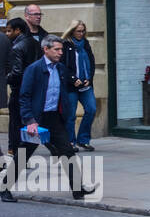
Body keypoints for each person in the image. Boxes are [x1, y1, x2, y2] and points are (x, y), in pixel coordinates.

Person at [19, 36, 97, 201]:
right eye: (57, 49)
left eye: (61, 49)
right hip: (37, 119)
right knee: (24, 154)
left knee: (67, 152)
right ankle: (4, 188)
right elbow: (24, 97)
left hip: (54, 118)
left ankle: (78, 190)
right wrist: (30, 121)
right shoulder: (34, 69)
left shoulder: (60, 69)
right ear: (45, 49)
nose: (60, 52)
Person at [3, 17, 41, 202]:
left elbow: (17, 73)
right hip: (34, 102)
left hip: (24, 98)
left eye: (9, 30)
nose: (7, 34)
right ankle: (5, 186)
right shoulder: (34, 44)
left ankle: (78, 187)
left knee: (24, 137)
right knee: (30, 143)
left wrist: (5, 78)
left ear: (18, 30)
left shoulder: (18, 47)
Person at [61, 20, 97, 150]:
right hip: (71, 86)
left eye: (83, 31)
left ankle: (83, 139)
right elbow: (62, 66)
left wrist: (89, 78)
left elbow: (92, 62)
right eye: (78, 31)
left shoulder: (85, 44)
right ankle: (70, 142)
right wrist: (72, 79)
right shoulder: (65, 45)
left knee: (91, 109)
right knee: (70, 115)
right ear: (72, 31)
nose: (81, 34)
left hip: (85, 85)